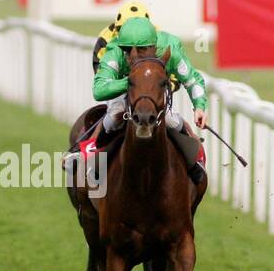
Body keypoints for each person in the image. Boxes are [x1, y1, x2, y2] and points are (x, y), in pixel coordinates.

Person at [79, 16, 208, 185]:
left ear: (153, 47)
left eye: (140, 50)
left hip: (155, 97)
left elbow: (192, 79)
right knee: (114, 116)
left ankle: (195, 159)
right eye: (127, 49)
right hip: (124, 92)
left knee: (171, 119)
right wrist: (135, 81)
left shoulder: (171, 48)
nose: (132, 55)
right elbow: (99, 89)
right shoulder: (115, 50)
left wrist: (199, 106)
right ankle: (94, 154)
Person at [91, 0, 152, 74]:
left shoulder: (158, 37)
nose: (133, 36)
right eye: (126, 30)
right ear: (118, 28)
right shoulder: (105, 39)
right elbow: (101, 78)